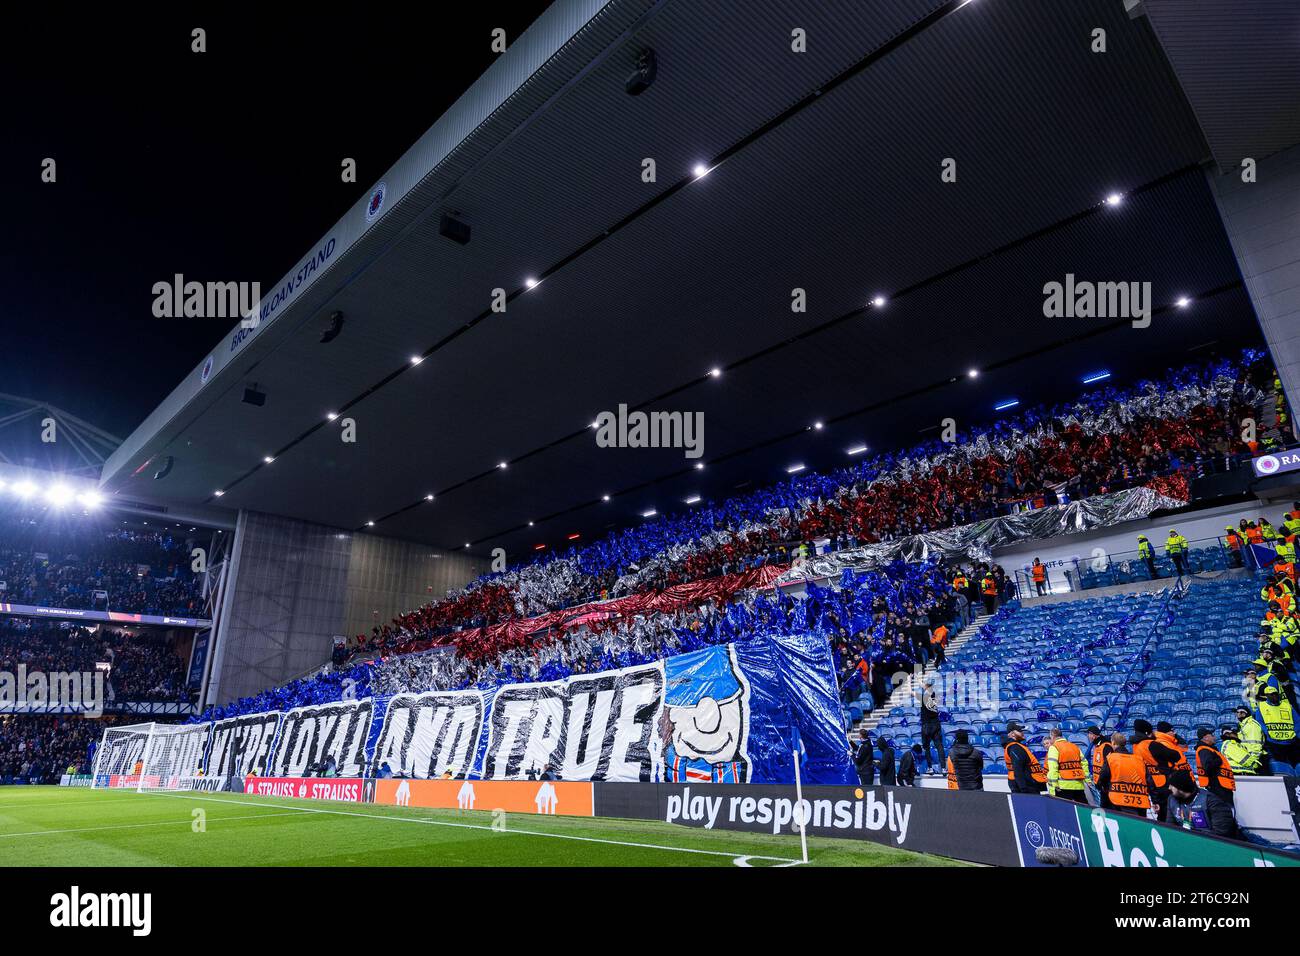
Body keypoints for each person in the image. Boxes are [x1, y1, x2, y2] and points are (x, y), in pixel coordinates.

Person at [1131, 718, 1185, 823]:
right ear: (1147, 732)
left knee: (1161, 813)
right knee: (1171, 813)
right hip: (1164, 782)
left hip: (1150, 783)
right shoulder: (1151, 744)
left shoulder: (1136, 746)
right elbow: (1175, 755)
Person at [1192, 726, 1239, 839]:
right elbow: (1208, 766)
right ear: (1206, 737)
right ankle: (1229, 835)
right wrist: (1218, 761)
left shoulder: (1208, 749)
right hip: (1218, 786)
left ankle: (1231, 833)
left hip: (1220, 785)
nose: (1214, 737)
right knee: (1226, 811)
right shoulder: (1204, 750)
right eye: (1211, 735)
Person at [1097, 733, 1152, 815]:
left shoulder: (1111, 758)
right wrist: (1155, 800)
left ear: (1113, 743)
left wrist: (1100, 786)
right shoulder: (1139, 759)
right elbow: (1149, 780)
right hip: (1139, 800)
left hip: (1118, 800)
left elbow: (1103, 777)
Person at [1255, 684, 1300, 773]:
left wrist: (1295, 733)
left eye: (1275, 694)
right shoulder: (1262, 707)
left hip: (1291, 742)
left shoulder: (1287, 706)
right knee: (1281, 768)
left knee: (1296, 765)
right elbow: (1260, 722)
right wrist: (1267, 733)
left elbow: (1297, 721)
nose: (1274, 696)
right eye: (1271, 694)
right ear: (1267, 696)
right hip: (1274, 743)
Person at [1045, 727, 1087, 803]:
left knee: (1064, 811)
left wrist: (1054, 784)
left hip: (1063, 785)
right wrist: (1087, 779)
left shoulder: (1054, 747)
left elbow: (1053, 767)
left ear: (1052, 736)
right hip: (1078, 784)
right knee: (1083, 810)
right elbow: (1084, 763)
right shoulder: (1074, 746)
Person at [1004, 721, 1046, 794]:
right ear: (1012, 734)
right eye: (1019, 730)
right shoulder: (1015, 747)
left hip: (1028, 783)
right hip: (1026, 786)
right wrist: (1023, 789)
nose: (1022, 732)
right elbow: (1018, 770)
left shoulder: (1017, 746)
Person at [919, 679, 945, 774]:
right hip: (935, 724)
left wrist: (909, 680)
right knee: (939, 746)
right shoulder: (934, 695)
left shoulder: (922, 697)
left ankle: (930, 768)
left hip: (926, 725)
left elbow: (910, 691)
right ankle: (943, 768)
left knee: (926, 747)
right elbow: (926, 687)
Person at [1234, 704, 1269, 774]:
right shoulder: (1243, 725)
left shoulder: (1251, 725)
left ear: (1246, 714)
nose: (1238, 714)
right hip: (1250, 759)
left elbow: (1256, 745)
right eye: (1237, 712)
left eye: (1241, 712)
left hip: (1256, 759)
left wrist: (1253, 762)